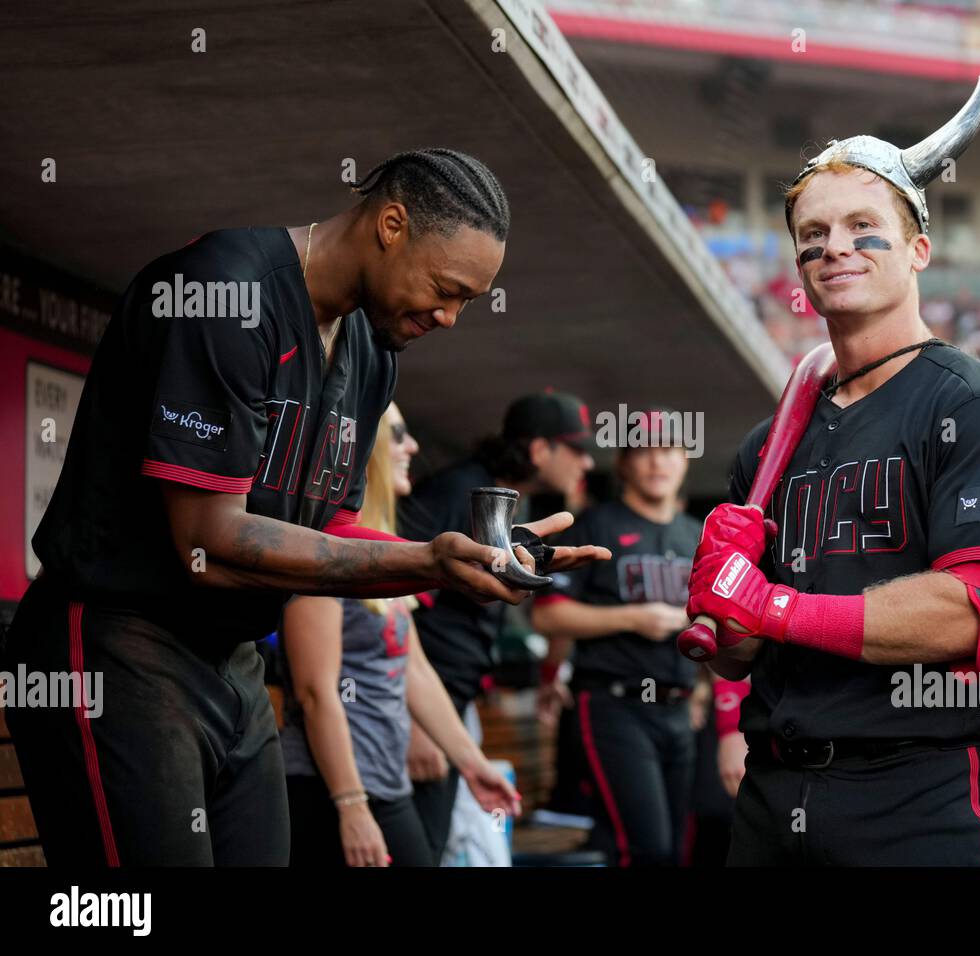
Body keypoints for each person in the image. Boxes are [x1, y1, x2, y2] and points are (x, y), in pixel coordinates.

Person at [1, 147, 606, 866]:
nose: (450, 317)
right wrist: (429, 563)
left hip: (234, 661)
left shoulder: (373, 352)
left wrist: (464, 553)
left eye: (468, 301)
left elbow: (331, 527)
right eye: (448, 289)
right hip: (118, 642)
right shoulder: (226, 289)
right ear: (390, 224)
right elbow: (209, 539)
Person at [687, 77, 980, 866]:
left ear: (919, 248)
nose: (835, 246)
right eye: (813, 232)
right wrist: (720, 609)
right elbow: (735, 653)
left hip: (918, 797)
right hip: (772, 795)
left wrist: (773, 605)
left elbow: (971, 612)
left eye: (863, 225)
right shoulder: (766, 445)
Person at [279, 404, 519, 867]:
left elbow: (414, 670)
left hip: (385, 783)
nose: (413, 446)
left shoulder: (383, 548)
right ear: (361, 449)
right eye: (398, 435)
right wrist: (351, 807)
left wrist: (474, 766)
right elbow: (316, 694)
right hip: (329, 787)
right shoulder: (322, 545)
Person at [399, 391, 596, 862]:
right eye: (576, 448)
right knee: (422, 845)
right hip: (420, 703)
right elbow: (396, 602)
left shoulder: (505, 498)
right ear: (538, 451)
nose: (587, 462)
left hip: (449, 701)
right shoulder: (460, 491)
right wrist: (415, 723)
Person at [532, 413, 701, 866]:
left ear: (684, 460)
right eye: (644, 451)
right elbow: (549, 617)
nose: (657, 462)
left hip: (680, 708)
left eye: (668, 451)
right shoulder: (595, 525)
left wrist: (705, 688)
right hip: (613, 705)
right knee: (644, 847)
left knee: (674, 847)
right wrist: (632, 618)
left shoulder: (698, 535)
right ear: (624, 463)